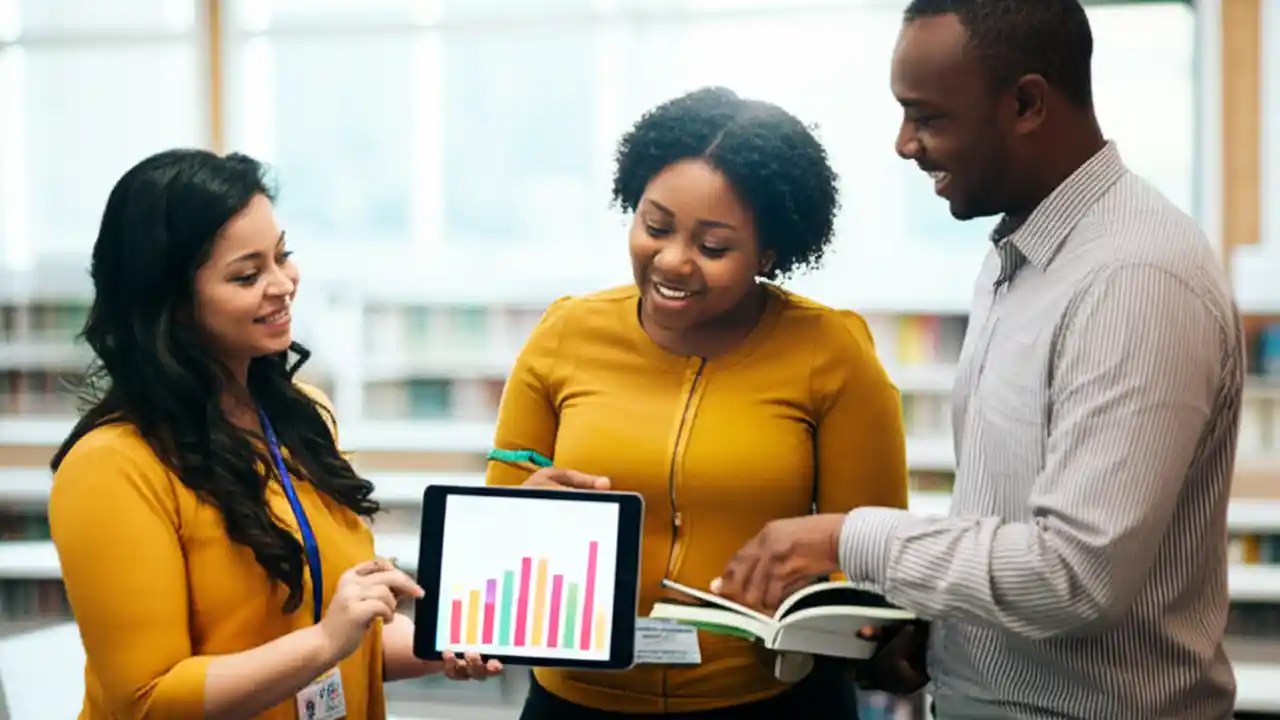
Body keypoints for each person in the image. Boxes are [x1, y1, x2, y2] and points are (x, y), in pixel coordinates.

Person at [712, 2, 1245, 719]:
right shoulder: (1021, 258)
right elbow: (1012, 524)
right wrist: (937, 633)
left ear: (1026, 103)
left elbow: (1076, 575)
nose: (905, 144)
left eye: (927, 117)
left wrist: (845, 536)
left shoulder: (1134, 278)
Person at [484, 86, 910, 718]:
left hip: (772, 702)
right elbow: (490, 541)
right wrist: (523, 519)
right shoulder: (564, 334)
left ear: (768, 253)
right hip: (575, 703)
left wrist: (825, 594)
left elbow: (876, 555)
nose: (674, 261)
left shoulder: (832, 353)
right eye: (655, 227)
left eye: (713, 248)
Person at [47, 149, 500, 720]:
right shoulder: (113, 467)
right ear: (171, 304)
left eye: (282, 256)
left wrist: (444, 642)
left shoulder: (303, 416)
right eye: (247, 274)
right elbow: (147, 700)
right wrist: (325, 642)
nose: (283, 284)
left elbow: (331, 637)